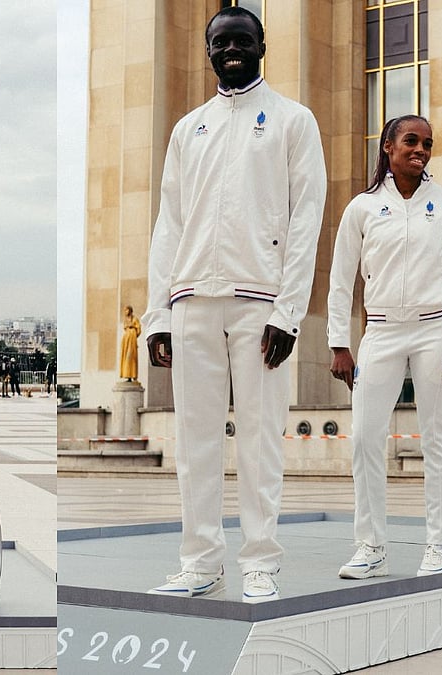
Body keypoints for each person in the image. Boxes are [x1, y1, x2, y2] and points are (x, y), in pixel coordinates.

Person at [141, 6, 326, 604]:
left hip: (260, 304)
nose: (231, 50)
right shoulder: (187, 128)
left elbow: (306, 221)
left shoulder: (294, 120)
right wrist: (157, 313)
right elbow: (168, 225)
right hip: (192, 300)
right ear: (208, 51)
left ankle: (260, 563)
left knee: (260, 440)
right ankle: (200, 562)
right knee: (194, 442)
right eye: (220, 42)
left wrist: (289, 312)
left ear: (262, 45)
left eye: (242, 40)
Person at [328, 114, 442, 579]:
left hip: (436, 329)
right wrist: (338, 343)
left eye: (427, 144)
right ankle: (370, 546)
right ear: (388, 146)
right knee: (365, 438)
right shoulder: (362, 208)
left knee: (437, 437)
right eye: (411, 141)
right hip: (381, 331)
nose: (420, 150)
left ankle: (438, 546)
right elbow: (340, 280)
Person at [120, 305, 140, 381]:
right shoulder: (126, 320)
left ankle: (133, 375)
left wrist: (133, 328)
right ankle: (128, 375)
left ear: (130, 310)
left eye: (127, 310)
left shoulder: (135, 319)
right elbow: (125, 327)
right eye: (125, 310)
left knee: (131, 357)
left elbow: (138, 329)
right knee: (126, 357)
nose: (126, 312)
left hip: (132, 339)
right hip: (126, 339)